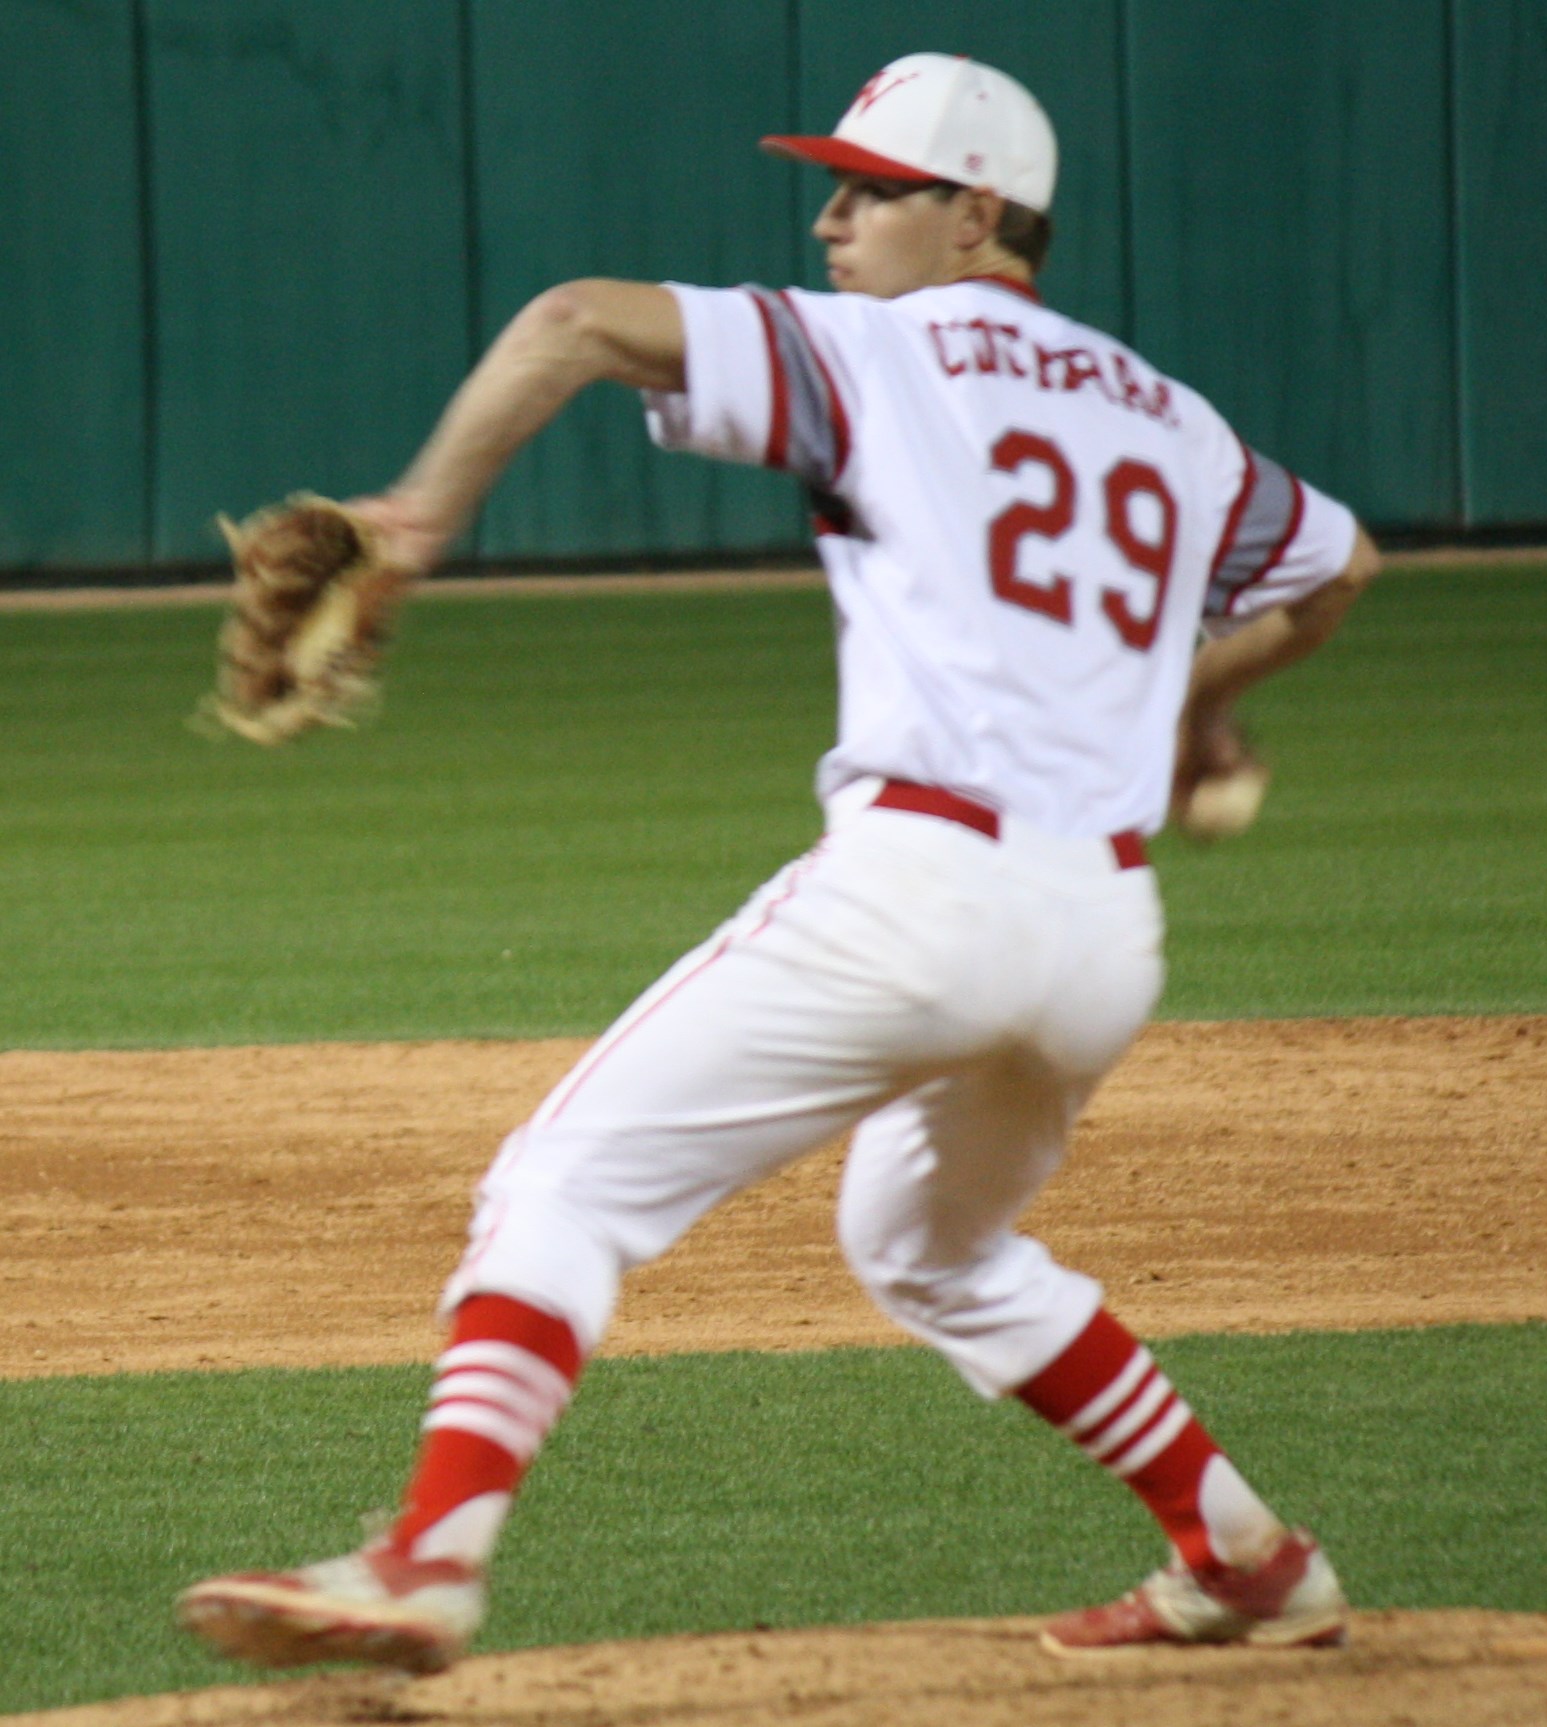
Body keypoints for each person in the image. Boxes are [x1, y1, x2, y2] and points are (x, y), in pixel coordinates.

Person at [178, 52, 1380, 1674]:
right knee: (932, 1249)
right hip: (1099, 932)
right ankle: (1242, 1556)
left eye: (869, 187)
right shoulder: (1171, 420)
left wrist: (410, 522)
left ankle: (426, 1559)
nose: (829, 218)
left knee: (563, 1186)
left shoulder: (884, 351)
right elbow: (1336, 564)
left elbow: (570, 324)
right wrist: (1184, 705)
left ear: (976, 216)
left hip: (920, 896)